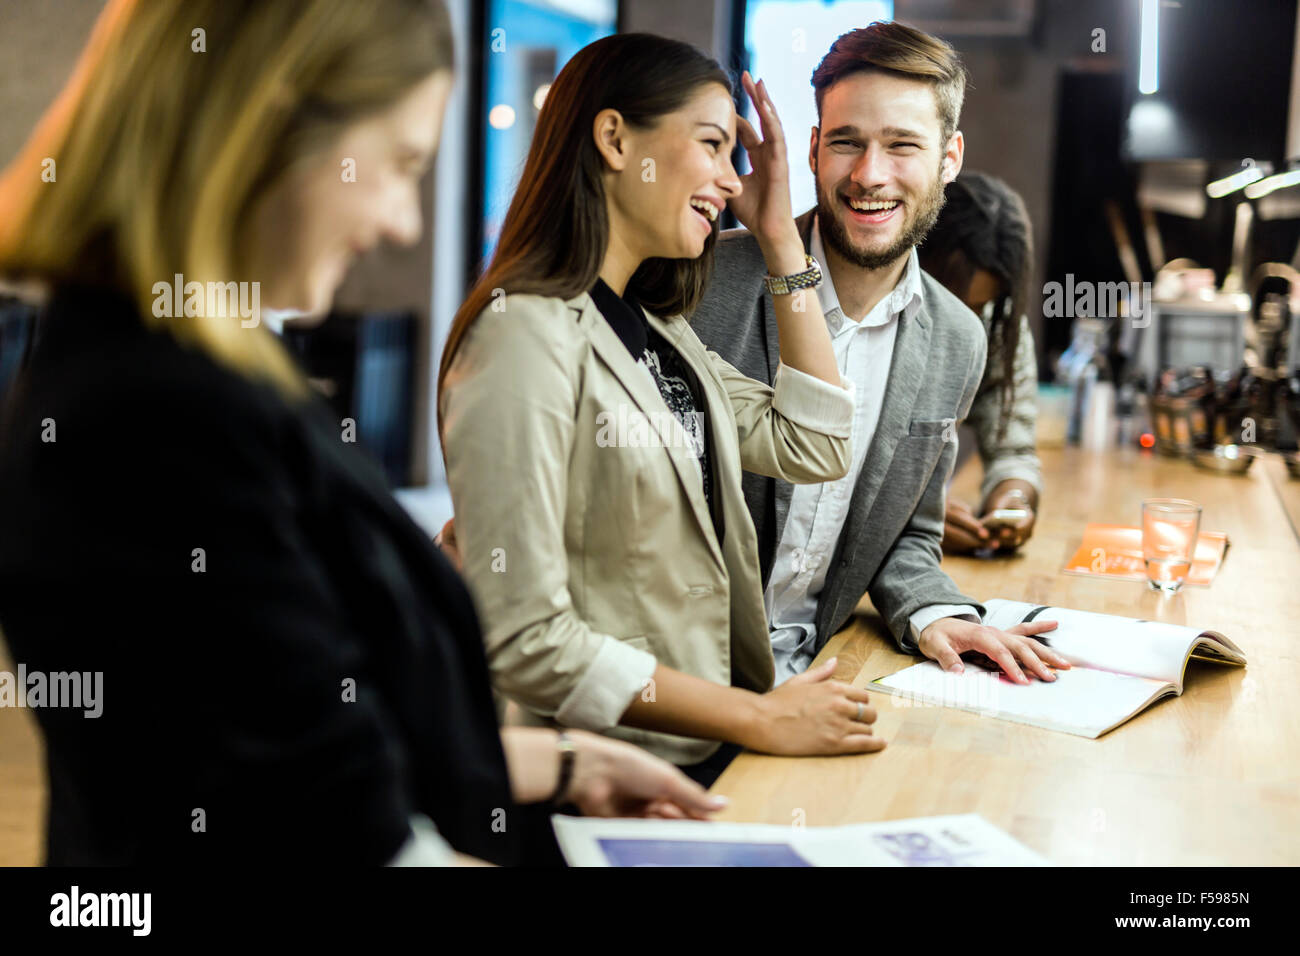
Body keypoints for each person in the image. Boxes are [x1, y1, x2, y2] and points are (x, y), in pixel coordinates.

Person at [0, 0, 721, 868]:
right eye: (398, 165)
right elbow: (323, 820)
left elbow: (314, 725)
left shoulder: (199, 358)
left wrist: (566, 762)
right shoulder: (160, 414)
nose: (402, 224)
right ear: (265, 130)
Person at [438, 33, 884, 784]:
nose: (730, 178)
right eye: (712, 144)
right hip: (601, 777)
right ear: (614, 139)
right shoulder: (523, 332)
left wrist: (780, 237)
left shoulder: (656, 331)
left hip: (701, 754)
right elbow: (528, 639)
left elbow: (815, 444)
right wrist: (756, 715)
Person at [688, 22, 1067, 684]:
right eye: (846, 142)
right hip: (686, 681)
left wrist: (934, 611)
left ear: (949, 157)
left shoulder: (956, 339)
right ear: (811, 150)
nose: (870, 175)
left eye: (902, 146)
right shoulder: (701, 282)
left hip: (819, 672)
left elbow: (907, 532)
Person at [917, 171, 1042, 554]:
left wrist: (1015, 500)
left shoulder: (999, 328)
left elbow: (1012, 452)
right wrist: (916, 518)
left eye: (979, 307)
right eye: (952, 302)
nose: (967, 325)